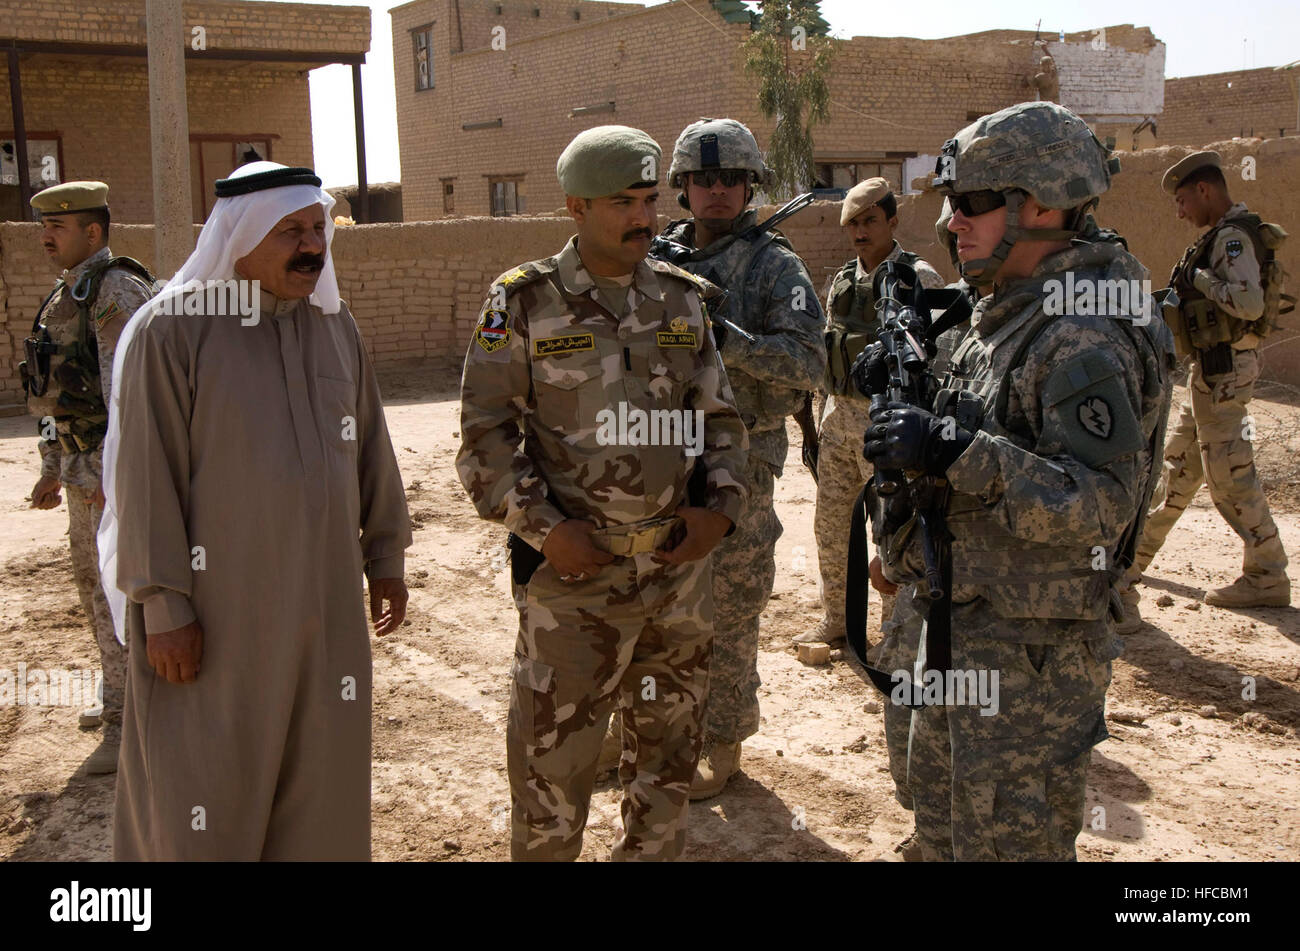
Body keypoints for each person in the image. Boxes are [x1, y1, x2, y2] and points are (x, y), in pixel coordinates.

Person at [862, 101, 1175, 860]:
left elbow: (1099, 503)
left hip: (1021, 659)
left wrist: (953, 448)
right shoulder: (1007, 307)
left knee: (1006, 844)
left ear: (1041, 204)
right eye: (950, 203)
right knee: (936, 824)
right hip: (956, 620)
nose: (950, 223)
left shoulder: (1080, 335)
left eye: (971, 203)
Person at [101, 162, 412, 860]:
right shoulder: (171, 333)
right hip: (215, 620)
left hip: (326, 611)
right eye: (290, 231)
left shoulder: (334, 328)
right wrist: (162, 606)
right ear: (238, 237)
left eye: (318, 229)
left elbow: (370, 447)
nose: (312, 246)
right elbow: (145, 477)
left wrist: (385, 557)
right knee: (204, 794)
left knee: (321, 791)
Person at [456, 125, 749, 861]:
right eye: (623, 201)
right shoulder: (521, 303)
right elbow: (484, 440)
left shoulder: (683, 302)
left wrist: (719, 511)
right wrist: (544, 528)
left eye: (650, 199)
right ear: (576, 206)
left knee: (665, 771)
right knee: (553, 777)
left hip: (676, 580)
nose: (644, 217)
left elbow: (721, 424)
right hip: (574, 586)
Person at [652, 118, 826, 799]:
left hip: (739, 461)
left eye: (730, 180)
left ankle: (721, 743)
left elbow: (808, 363)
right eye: (703, 179)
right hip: (658, 457)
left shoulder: (774, 265)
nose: (717, 192)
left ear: (750, 185)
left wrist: (725, 335)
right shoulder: (660, 257)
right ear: (683, 186)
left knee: (728, 605)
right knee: (656, 603)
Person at [1118, 150, 1290, 632]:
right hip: (1210, 371)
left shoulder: (1231, 240)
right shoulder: (1219, 237)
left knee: (1230, 472)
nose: (1180, 212)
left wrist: (1198, 279)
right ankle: (1130, 564)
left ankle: (1267, 572)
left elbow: (1249, 303)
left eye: (1182, 200)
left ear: (1205, 191)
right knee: (1177, 469)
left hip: (1227, 370)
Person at [21, 181, 154, 775]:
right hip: (81, 471)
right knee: (94, 589)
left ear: (93, 232)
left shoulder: (113, 290)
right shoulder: (66, 292)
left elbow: (127, 391)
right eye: (44, 226)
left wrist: (116, 473)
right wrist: (52, 467)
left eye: (59, 226)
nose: (47, 237)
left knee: (121, 592)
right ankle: (118, 701)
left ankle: (131, 721)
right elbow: (51, 390)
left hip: (109, 475)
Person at [798, 177, 944, 650]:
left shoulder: (918, 279)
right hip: (839, 422)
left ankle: (891, 633)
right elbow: (829, 352)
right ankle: (837, 619)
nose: (861, 232)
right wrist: (817, 424)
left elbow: (937, 366)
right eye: (853, 224)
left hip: (888, 429)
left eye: (870, 221)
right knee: (832, 528)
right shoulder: (841, 280)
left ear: (892, 221)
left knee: (891, 535)